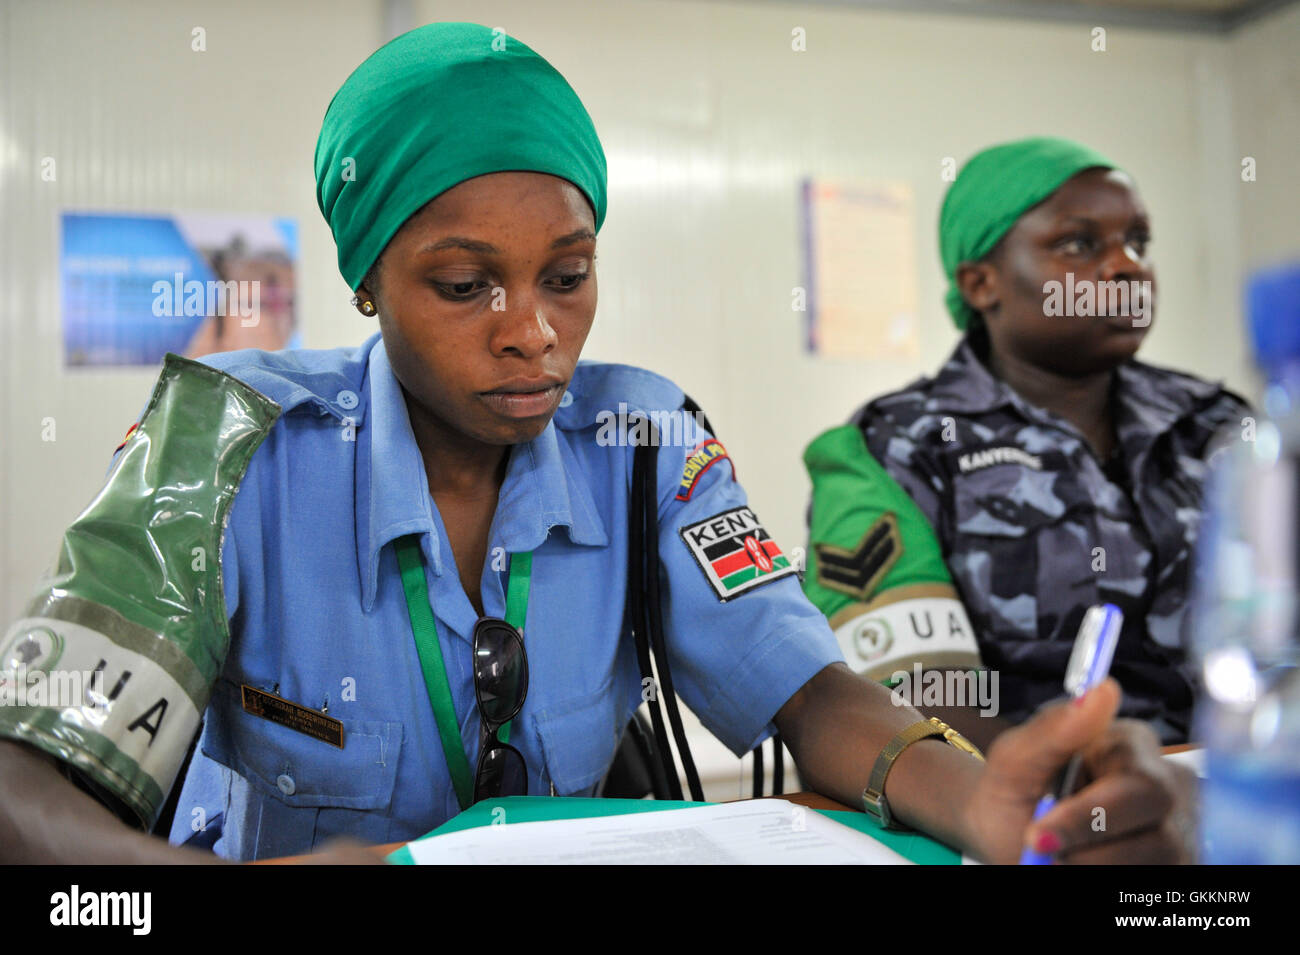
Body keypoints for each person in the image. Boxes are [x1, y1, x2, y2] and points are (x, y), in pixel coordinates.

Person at [0, 30, 1194, 865]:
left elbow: (810, 694)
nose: (534, 335)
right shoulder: (224, 443)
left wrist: (978, 799)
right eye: (465, 284)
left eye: (568, 277)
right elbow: (25, 790)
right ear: (367, 282)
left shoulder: (644, 436)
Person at [803, 137, 1250, 749]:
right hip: (1025, 809)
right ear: (982, 283)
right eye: (1079, 244)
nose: (1126, 267)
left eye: (1137, 243)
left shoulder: (1219, 423)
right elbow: (915, 697)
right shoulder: (896, 447)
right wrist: (1057, 802)